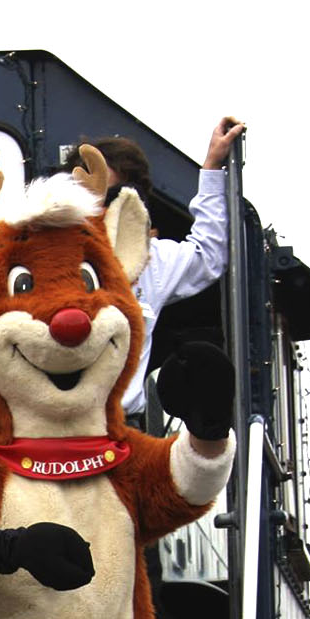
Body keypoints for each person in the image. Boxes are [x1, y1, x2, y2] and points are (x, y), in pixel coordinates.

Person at [76, 117, 246, 423]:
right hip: (44, 437)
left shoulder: (152, 261)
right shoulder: (36, 253)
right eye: (88, 195)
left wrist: (211, 168)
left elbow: (207, 254)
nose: (99, 208)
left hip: (121, 436)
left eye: (112, 196)